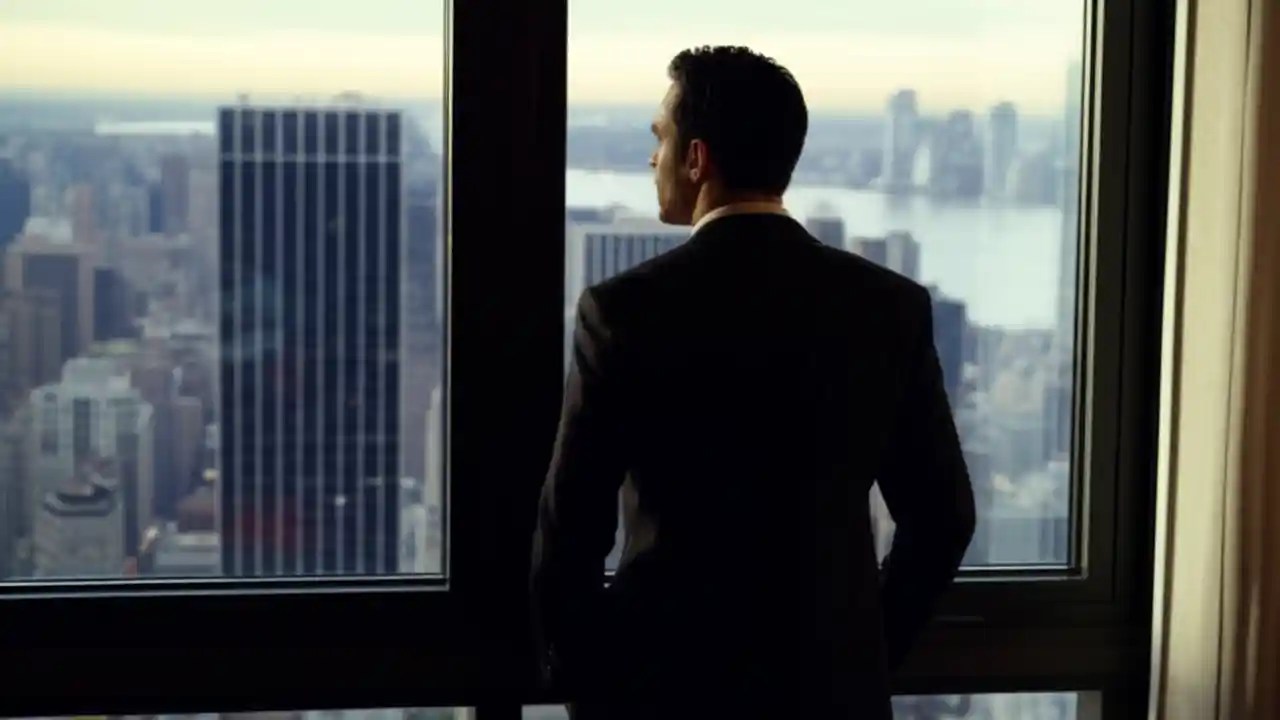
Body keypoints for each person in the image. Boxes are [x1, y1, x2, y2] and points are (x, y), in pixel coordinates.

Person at [531, 45, 975, 719]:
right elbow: (943, 518)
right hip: (829, 694)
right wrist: (864, 653)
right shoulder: (887, 307)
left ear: (697, 159)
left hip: (665, 692)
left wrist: (596, 690)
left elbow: (571, 533)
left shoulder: (624, 311)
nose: (652, 160)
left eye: (660, 139)